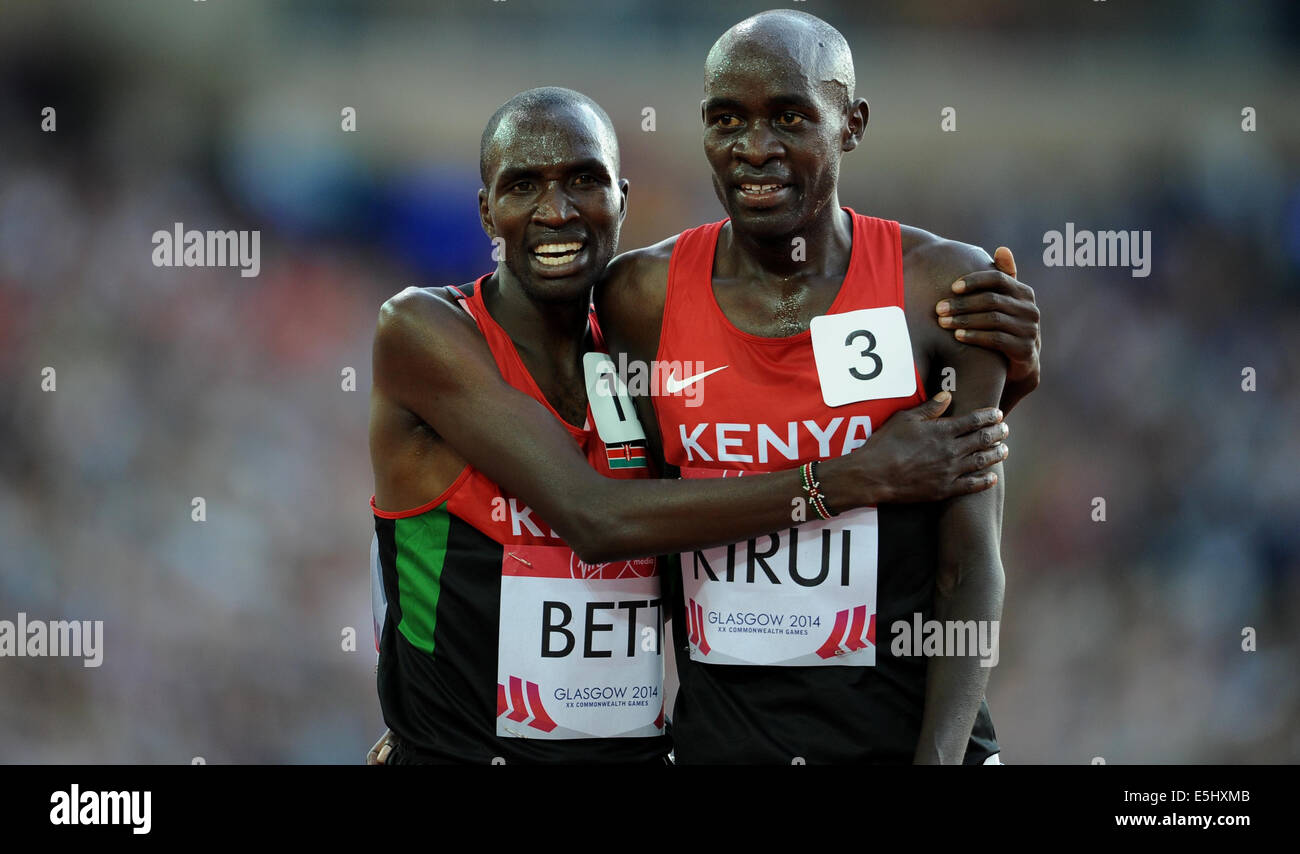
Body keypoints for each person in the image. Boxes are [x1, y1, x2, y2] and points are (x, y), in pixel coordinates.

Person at [367, 85, 1036, 763]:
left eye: (583, 182)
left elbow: (758, 484)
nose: (556, 212)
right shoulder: (424, 329)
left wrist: (997, 377)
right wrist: (847, 479)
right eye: (523, 187)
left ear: (622, 200)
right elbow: (594, 519)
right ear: (486, 210)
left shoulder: (641, 351)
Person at [597, 10, 1040, 763]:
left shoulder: (939, 288)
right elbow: (625, 521)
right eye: (726, 119)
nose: (755, 149)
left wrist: (936, 759)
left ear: (851, 123)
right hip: (723, 744)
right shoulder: (639, 298)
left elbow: (969, 563)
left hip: (905, 740)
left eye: (791, 117)